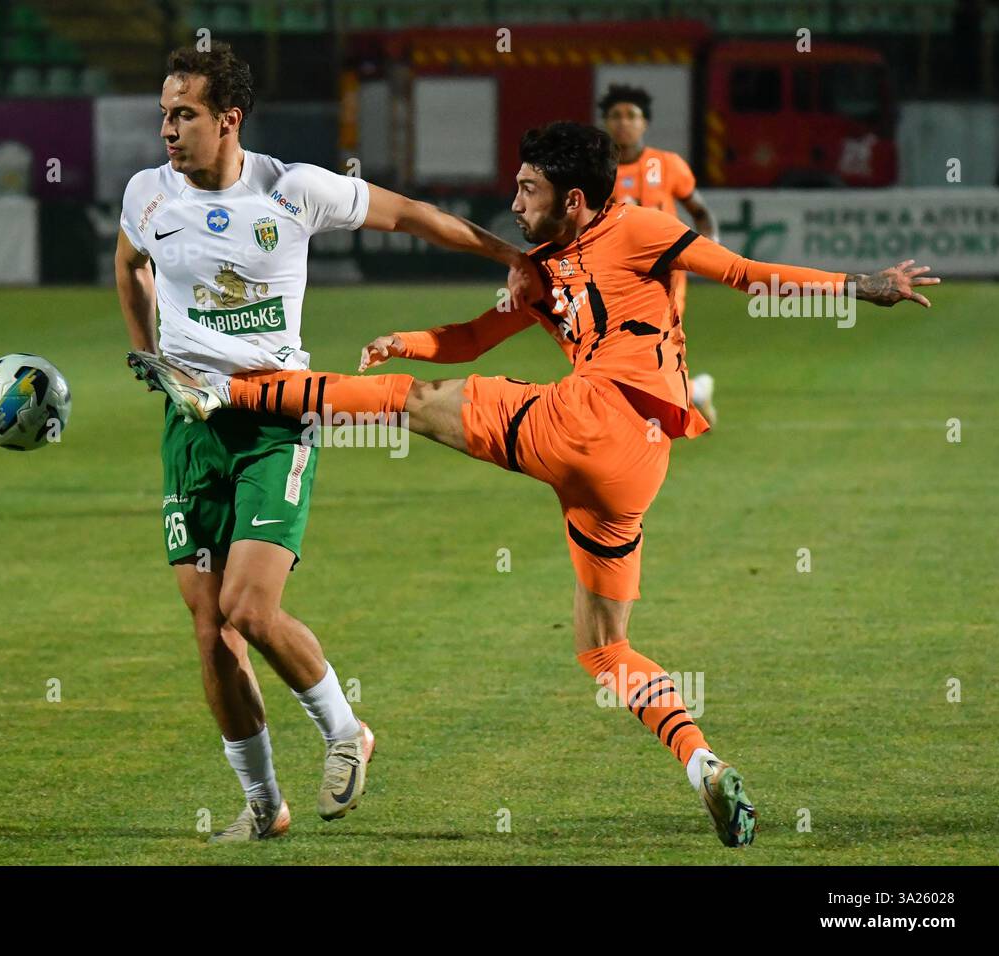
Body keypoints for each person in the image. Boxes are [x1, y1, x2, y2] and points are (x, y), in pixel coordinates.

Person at [130, 121, 939, 847]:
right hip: (636, 468)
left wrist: (856, 285)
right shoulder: (543, 266)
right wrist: (409, 337)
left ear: (577, 200)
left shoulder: (643, 231)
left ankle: (228, 393)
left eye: (528, 188)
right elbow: (481, 334)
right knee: (603, 648)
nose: (512, 200)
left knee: (405, 407)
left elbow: (743, 271)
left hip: (591, 419)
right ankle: (703, 764)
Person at [116, 41, 543, 843]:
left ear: (229, 120)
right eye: (164, 115)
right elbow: (129, 264)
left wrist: (509, 256)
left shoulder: (294, 189)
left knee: (248, 605)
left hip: (278, 422)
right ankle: (261, 805)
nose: (167, 130)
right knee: (211, 633)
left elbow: (413, 216)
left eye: (184, 115)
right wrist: (150, 354)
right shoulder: (147, 194)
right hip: (191, 429)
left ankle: (346, 730)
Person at [601, 83, 720, 422]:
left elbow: (700, 211)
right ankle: (694, 392)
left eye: (631, 115)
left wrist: (708, 250)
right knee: (626, 350)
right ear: (606, 123)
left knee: (650, 343)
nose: (623, 122)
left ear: (645, 123)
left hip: (664, 274)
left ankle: (636, 417)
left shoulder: (668, 165)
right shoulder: (597, 170)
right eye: (615, 116)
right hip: (616, 275)